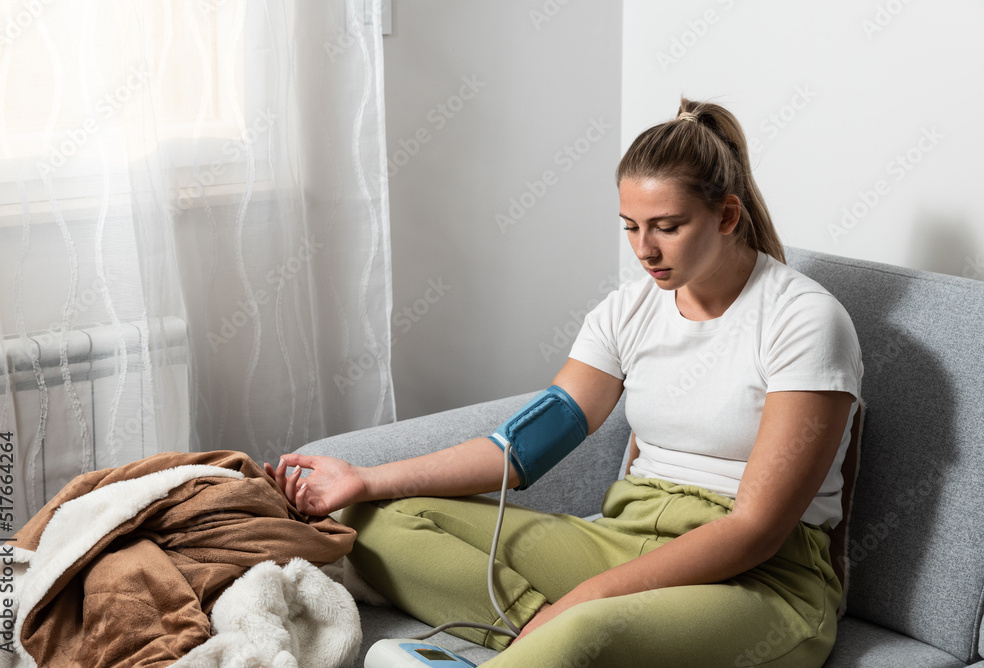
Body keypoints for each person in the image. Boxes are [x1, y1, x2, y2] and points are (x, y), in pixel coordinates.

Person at [265, 97, 863, 667]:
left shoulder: (803, 321)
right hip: (628, 533)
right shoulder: (625, 312)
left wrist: (589, 599)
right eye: (630, 227)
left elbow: (753, 530)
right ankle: (539, 640)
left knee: (587, 625)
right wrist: (364, 479)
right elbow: (521, 450)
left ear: (727, 215)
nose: (644, 250)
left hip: (764, 578)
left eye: (667, 227)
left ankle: (558, 638)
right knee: (372, 520)